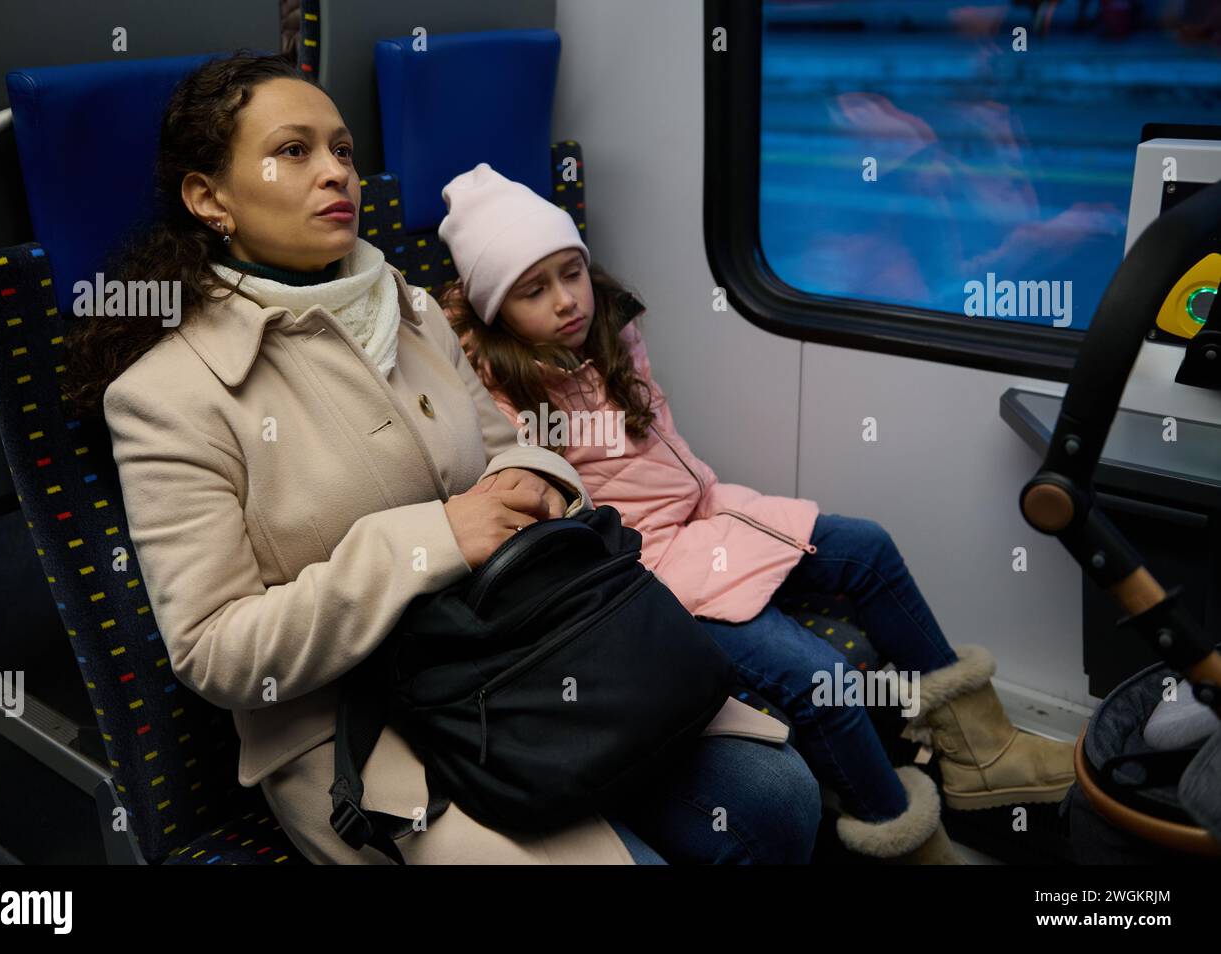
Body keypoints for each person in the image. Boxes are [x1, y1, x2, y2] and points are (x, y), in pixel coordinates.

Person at [67, 52, 821, 864]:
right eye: (295, 151)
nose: (337, 174)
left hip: (519, 651)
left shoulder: (412, 308)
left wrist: (536, 482)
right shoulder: (168, 395)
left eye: (345, 150)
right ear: (209, 199)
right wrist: (432, 541)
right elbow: (215, 651)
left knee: (777, 797)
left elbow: (516, 452)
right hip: (360, 729)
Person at [437, 162, 1078, 864]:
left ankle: (982, 748)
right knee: (816, 679)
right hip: (645, 576)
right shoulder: (500, 394)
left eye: (572, 272)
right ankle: (907, 840)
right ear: (496, 311)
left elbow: (663, 457)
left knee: (867, 547)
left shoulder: (609, 337)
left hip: (708, 516)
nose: (567, 301)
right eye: (535, 290)